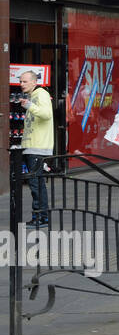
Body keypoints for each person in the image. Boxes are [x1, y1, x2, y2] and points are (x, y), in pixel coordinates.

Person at [18, 69, 53, 227]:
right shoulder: (34, 96)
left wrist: (30, 106)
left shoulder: (41, 95)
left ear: (34, 82)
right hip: (32, 147)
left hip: (38, 148)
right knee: (36, 183)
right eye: (20, 81)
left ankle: (40, 217)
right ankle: (41, 216)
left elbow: (46, 114)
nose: (21, 84)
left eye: (25, 81)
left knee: (35, 184)